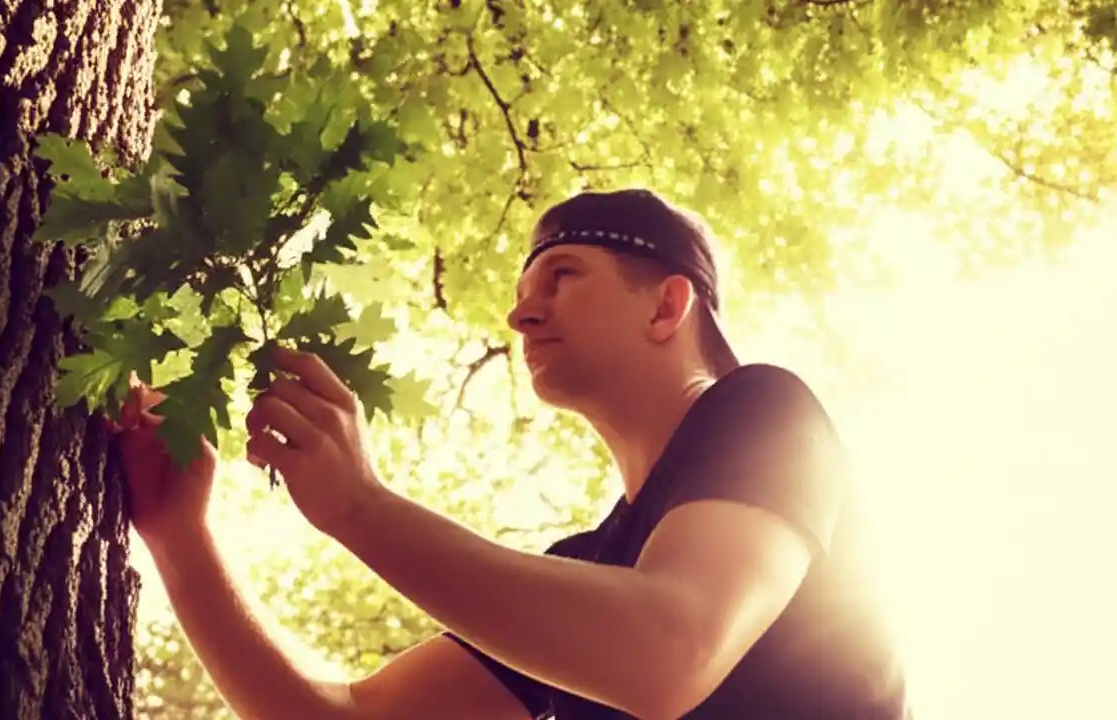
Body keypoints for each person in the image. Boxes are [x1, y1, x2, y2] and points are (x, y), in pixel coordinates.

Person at [116, 189, 909, 719]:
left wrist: (360, 506)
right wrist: (182, 538)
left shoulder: (768, 411)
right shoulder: (587, 585)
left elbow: (669, 649)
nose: (521, 313)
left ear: (668, 305)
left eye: (562, 276)